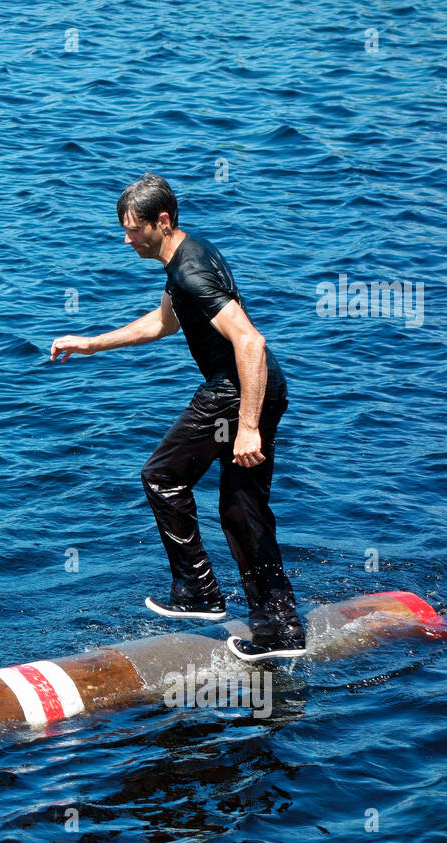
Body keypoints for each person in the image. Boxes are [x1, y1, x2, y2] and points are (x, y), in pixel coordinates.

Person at [50, 173, 305, 661]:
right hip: (260, 388)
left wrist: (247, 426)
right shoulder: (186, 257)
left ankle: (199, 593)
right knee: (241, 508)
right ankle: (280, 628)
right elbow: (165, 322)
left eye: (132, 230)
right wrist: (91, 343)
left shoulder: (191, 272)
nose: (127, 240)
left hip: (238, 391)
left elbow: (250, 342)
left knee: (162, 476)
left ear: (161, 222)